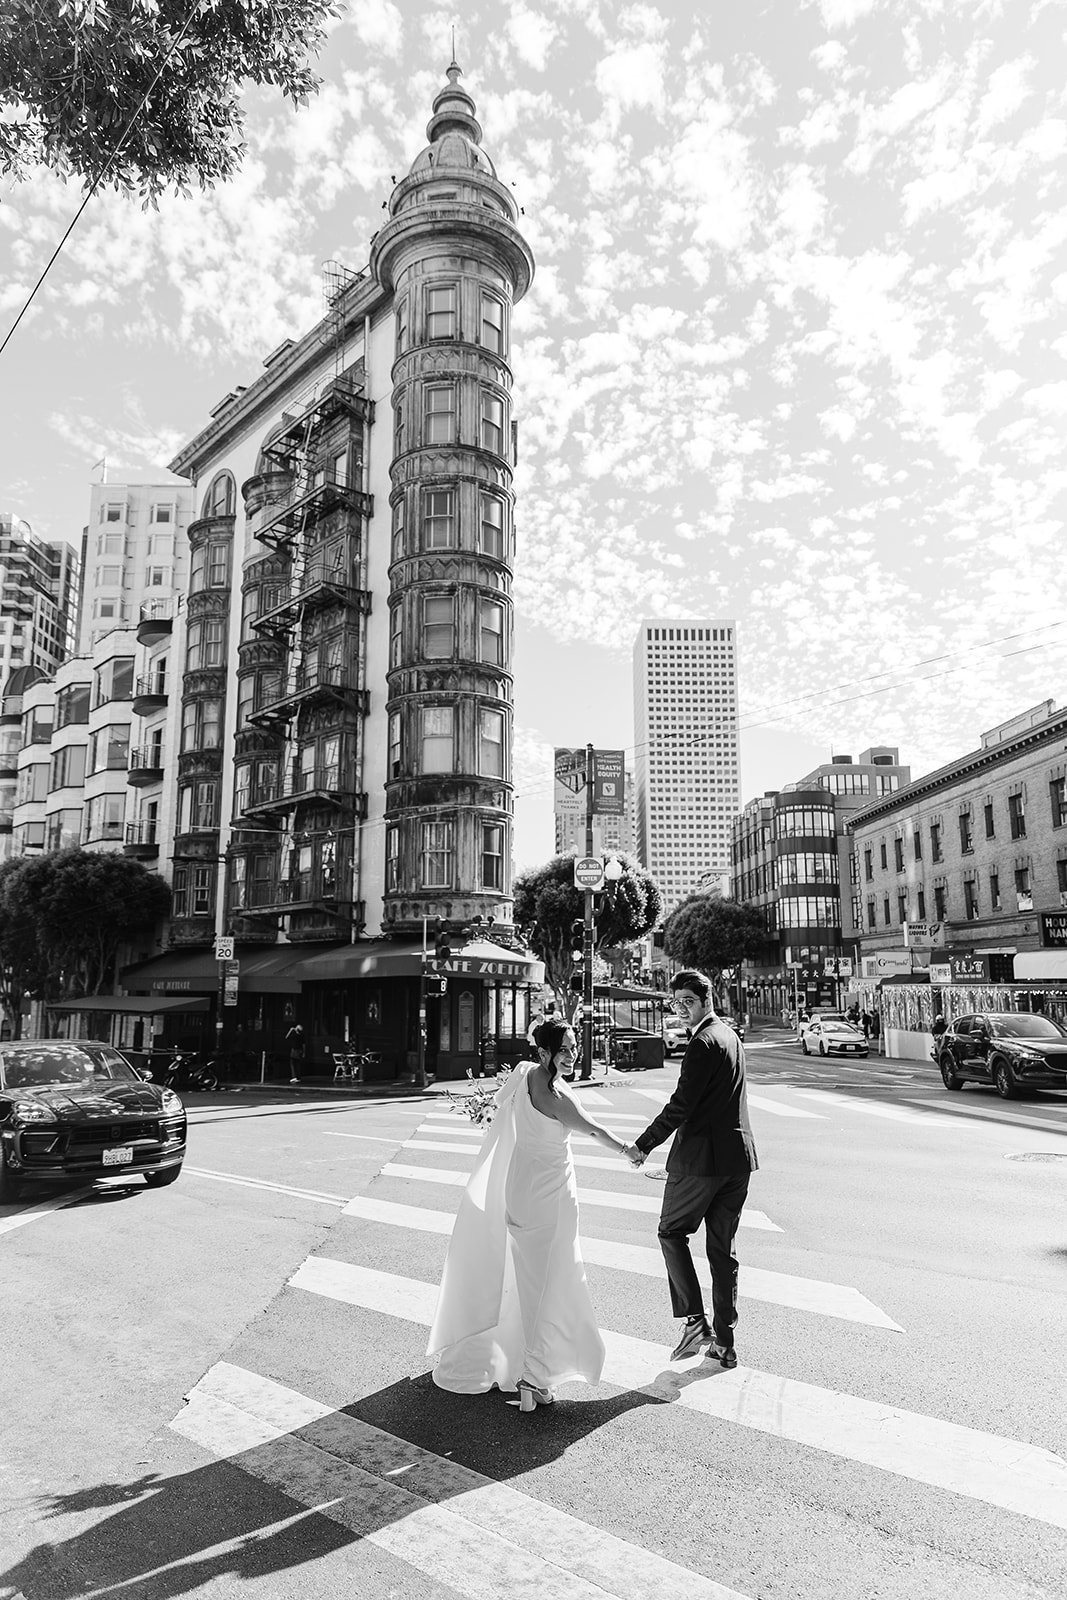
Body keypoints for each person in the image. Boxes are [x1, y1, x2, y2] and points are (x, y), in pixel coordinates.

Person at [427, 1017, 640, 1411]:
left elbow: (495, 1106)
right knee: (551, 1285)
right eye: (565, 1050)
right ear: (544, 1053)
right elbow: (594, 1131)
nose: (573, 1055)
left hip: (519, 1189)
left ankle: (525, 1370)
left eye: (575, 1047)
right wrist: (631, 1150)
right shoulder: (559, 1098)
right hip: (551, 1196)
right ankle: (534, 1377)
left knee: (524, 1280)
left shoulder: (524, 1076)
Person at [628, 969, 758, 1370]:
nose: (681, 1009)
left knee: (671, 1232)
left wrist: (643, 1145)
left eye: (687, 1001)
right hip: (738, 1161)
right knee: (722, 1252)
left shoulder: (703, 1042)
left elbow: (681, 1104)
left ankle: (695, 1321)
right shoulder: (730, 1036)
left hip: (701, 1163)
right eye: (676, 1002)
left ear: (706, 999)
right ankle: (726, 1342)